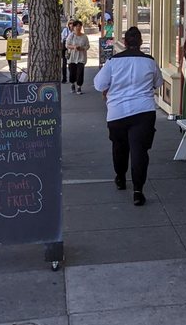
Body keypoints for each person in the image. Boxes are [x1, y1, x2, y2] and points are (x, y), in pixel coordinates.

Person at [93, 26, 163, 206]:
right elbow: (158, 82)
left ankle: (121, 178)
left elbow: (99, 84)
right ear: (140, 42)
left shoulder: (113, 62)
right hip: (144, 111)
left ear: (124, 42)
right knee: (140, 151)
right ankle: (138, 191)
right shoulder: (149, 62)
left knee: (119, 147)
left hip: (117, 112)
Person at [66, 20, 89, 94]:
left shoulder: (84, 37)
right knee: (72, 73)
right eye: (76, 26)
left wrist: (82, 48)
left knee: (80, 72)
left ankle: (79, 87)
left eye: (79, 26)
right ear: (73, 27)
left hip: (81, 57)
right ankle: (72, 84)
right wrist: (74, 47)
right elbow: (67, 45)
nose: (78, 28)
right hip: (72, 57)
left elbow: (87, 46)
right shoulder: (71, 35)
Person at [60, 17, 74, 83]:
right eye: (70, 23)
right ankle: (64, 78)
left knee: (71, 63)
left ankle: (72, 77)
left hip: (72, 48)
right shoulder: (66, 30)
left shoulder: (75, 31)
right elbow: (62, 38)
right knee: (64, 63)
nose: (71, 25)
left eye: (73, 24)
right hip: (65, 48)